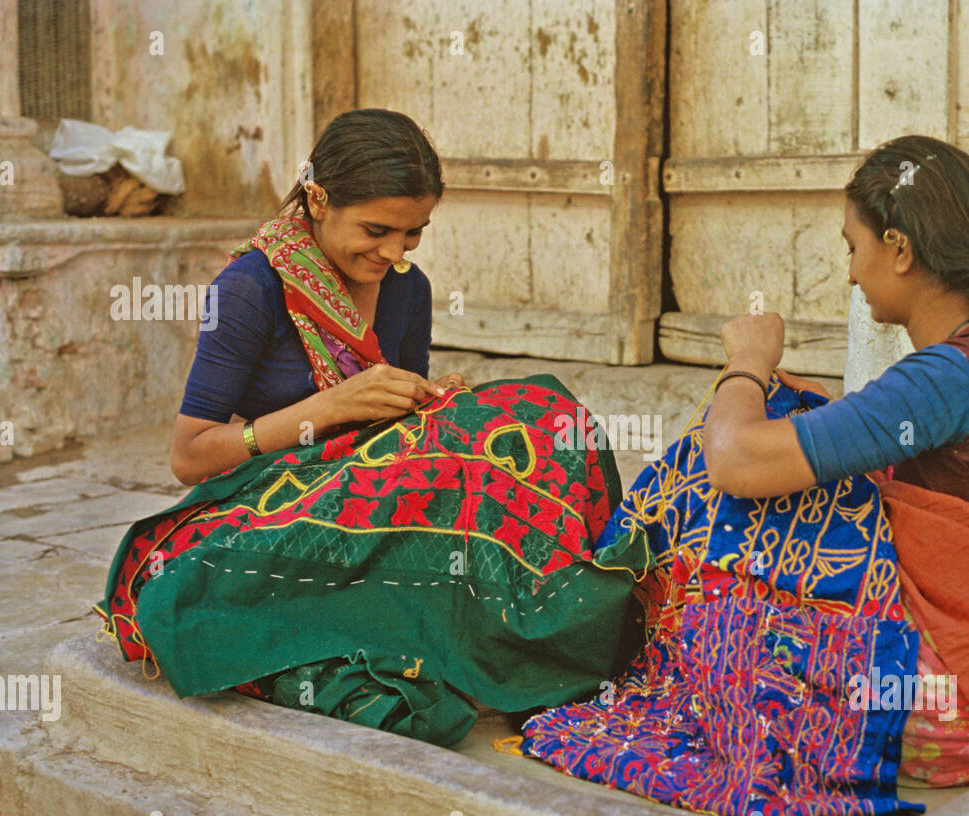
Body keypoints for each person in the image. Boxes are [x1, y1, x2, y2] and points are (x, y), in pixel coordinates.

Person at [520, 135, 969, 816]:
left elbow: (735, 461)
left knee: (708, 493)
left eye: (853, 247)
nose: (852, 274)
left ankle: (586, 641)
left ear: (900, 249)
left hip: (959, 711)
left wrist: (748, 363)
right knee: (792, 444)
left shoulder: (945, 378)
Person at [95, 110, 639, 746]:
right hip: (273, 503)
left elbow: (397, 430)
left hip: (370, 483)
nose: (394, 253)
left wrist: (429, 403)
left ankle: (549, 632)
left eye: (413, 235)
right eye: (377, 231)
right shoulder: (248, 290)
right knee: (186, 595)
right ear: (319, 201)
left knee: (540, 416)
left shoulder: (407, 289)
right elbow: (190, 456)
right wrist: (329, 409)